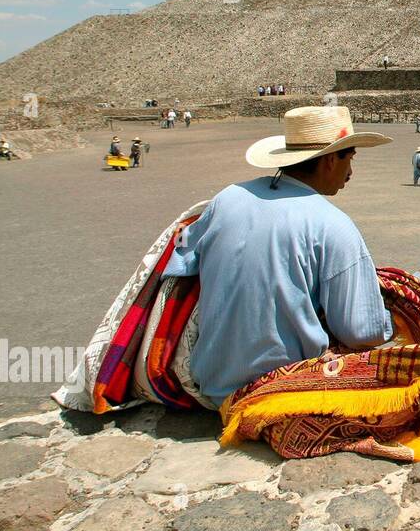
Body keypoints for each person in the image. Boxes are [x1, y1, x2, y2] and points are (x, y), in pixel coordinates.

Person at [160, 106, 392, 409]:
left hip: (211, 384)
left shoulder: (226, 198)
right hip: (278, 392)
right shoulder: (334, 226)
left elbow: (181, 261)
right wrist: (398, 315)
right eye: (349, 158)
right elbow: (361, 331)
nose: (350, 171)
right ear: (331, 159)